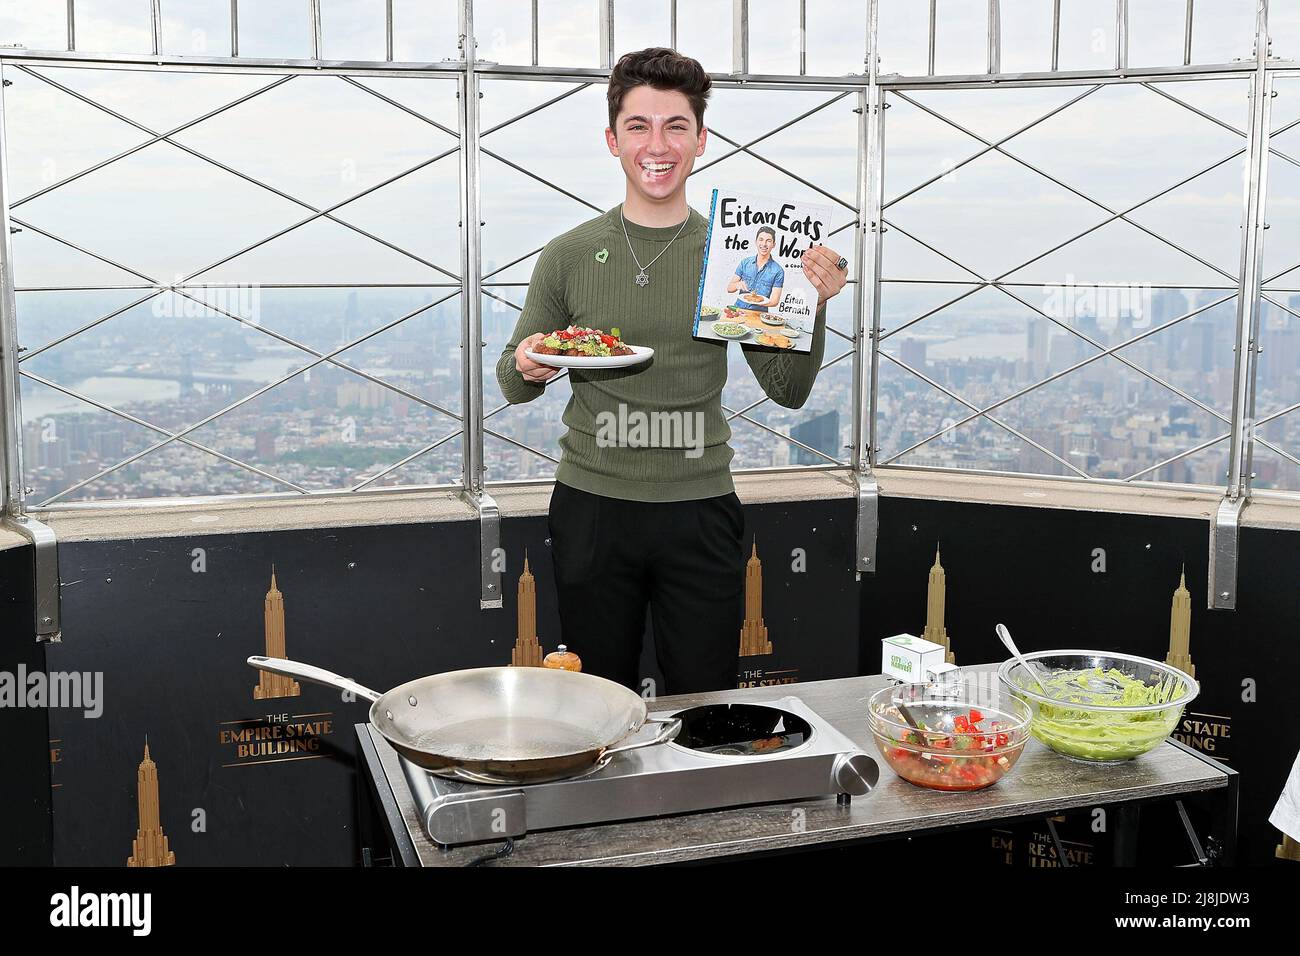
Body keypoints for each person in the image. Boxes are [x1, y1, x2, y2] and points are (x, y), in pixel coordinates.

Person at [495, 47, 847, 694]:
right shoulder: (569, 255)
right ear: (612, 139)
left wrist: (811, 307)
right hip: (592, 508)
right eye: (639, 126)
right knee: (596, 703)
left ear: (700, 140)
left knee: (706, 702)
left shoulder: (727, 256)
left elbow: (788, 392)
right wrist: (528, 362)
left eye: (675, 126)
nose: (657, 145)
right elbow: (514, 382)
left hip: (700, 508)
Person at [726, 226, 784, 313]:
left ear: (773, 245)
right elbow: (729, 288)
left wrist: (757, 301)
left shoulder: (778, 271)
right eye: (761, 239)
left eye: (768, 241)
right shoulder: (745, 263)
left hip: (759, 315)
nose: (764, 244)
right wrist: (737, 285)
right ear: (756, 242)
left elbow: (775, 301)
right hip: (738, 310)